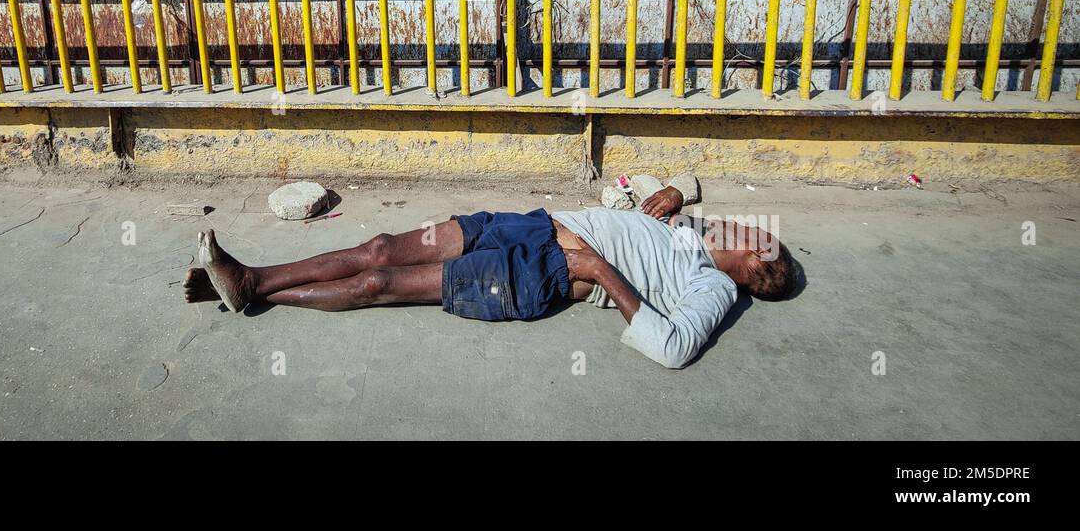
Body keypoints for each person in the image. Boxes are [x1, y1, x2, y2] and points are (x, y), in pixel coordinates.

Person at [181, 174, 795, 369]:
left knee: (380, 286)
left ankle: (256, 291)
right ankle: (254, 278)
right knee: (382, 247)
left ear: (753, 265)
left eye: (756, 237)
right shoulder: (692, 234)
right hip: (529, 223)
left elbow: (674, 349)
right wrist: (672, 198)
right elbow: (651, 216)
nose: (745, 227)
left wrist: (601, 272)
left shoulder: (714, 289)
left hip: (542, 273)